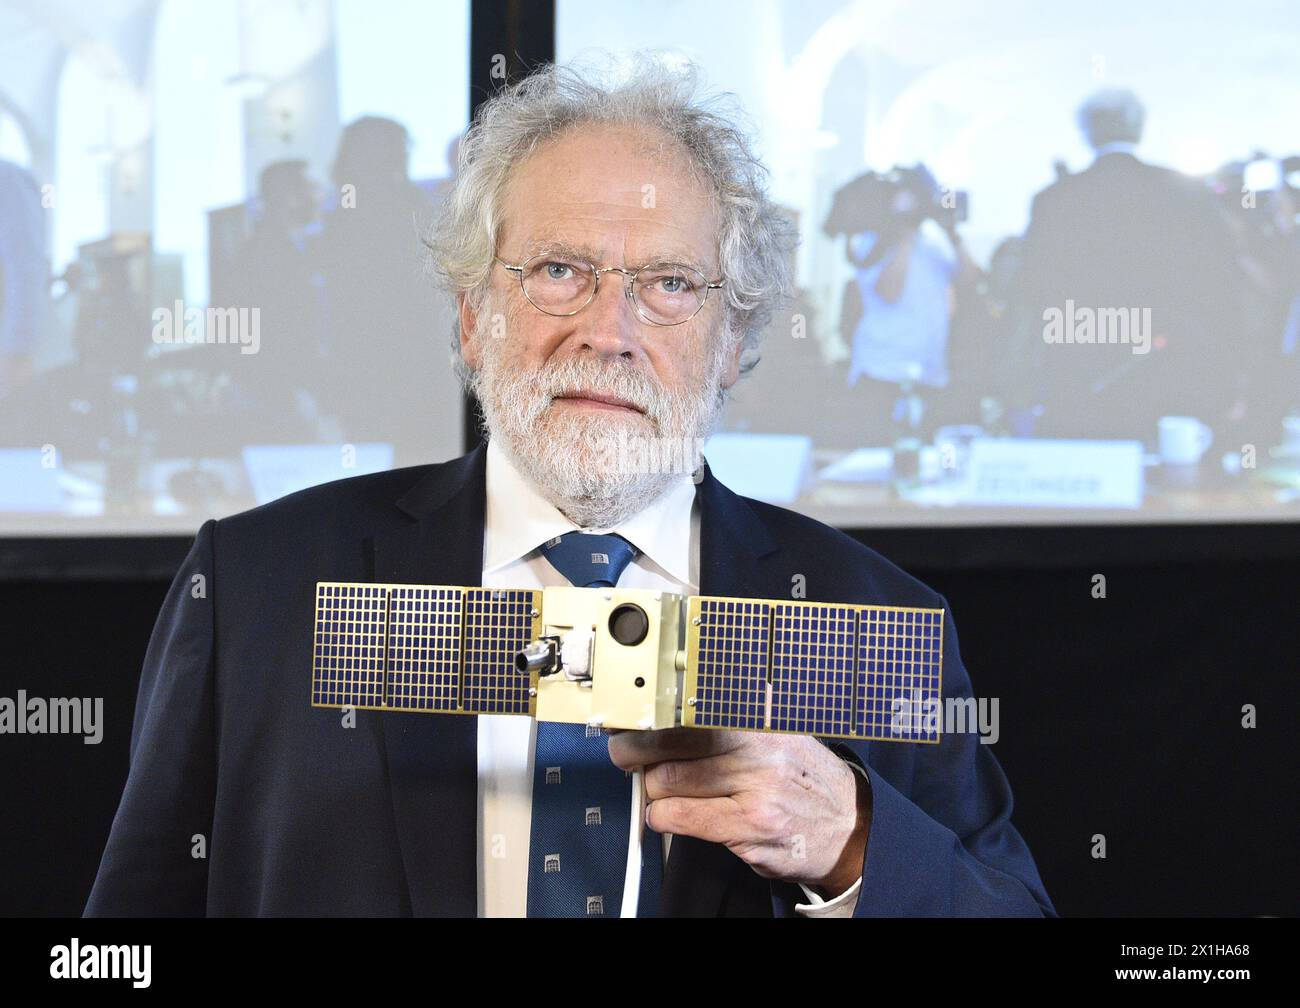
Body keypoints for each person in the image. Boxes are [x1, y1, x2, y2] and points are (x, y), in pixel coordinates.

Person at [85, 59, 1053, 918]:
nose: (609, 329)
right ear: (473, 317)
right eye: (559, 270)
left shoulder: (867, 614)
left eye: (671, 283)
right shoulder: (258, 583)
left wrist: (851, 849)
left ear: (736, 343)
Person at [1015, 89, 1247, 443]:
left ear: (1087, 134)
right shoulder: (1186, 192)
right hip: (1171, 362)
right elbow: (1219, 284)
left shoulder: (1053, 199)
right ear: (1139, 129)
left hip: (1079, 364)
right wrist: (1228, 375)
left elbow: (1032, 287)